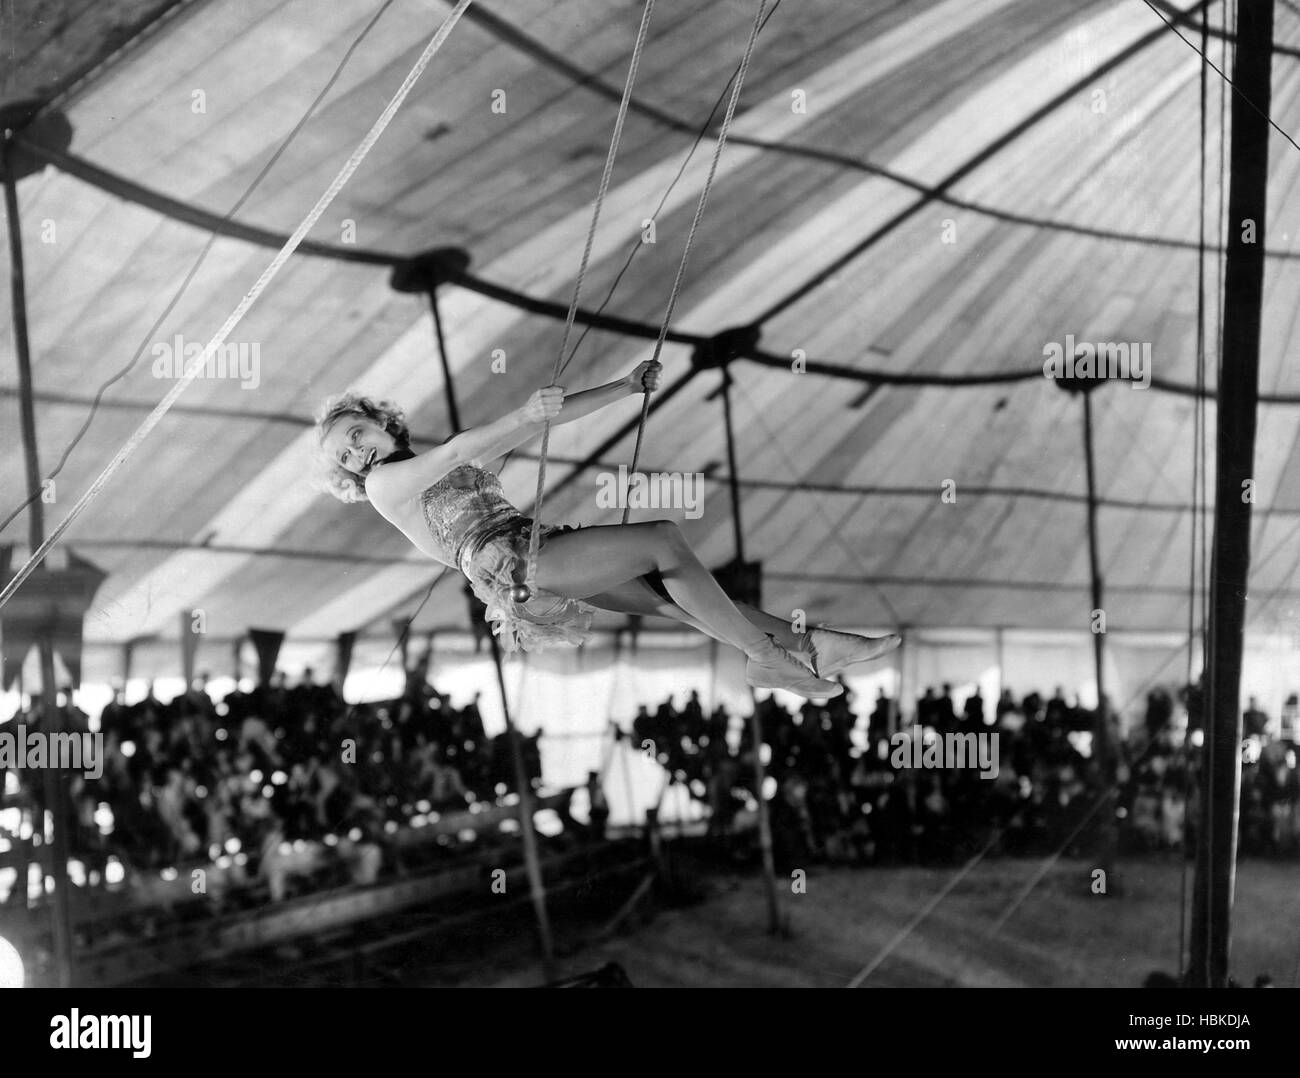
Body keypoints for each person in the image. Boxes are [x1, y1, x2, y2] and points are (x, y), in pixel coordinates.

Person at [315, 363, 899, 699]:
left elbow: (535, 427)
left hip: (526, 552)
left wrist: (624, 388)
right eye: (345, 455)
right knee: (662, 540)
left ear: (380, 422)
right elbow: (475, 443)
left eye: (355, 433)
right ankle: (763, 657)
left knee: (675, 598)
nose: (356, 452)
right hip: (513, 562)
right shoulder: (385, 486)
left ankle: (809, 645)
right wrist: (521, 414)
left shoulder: (441, 463)